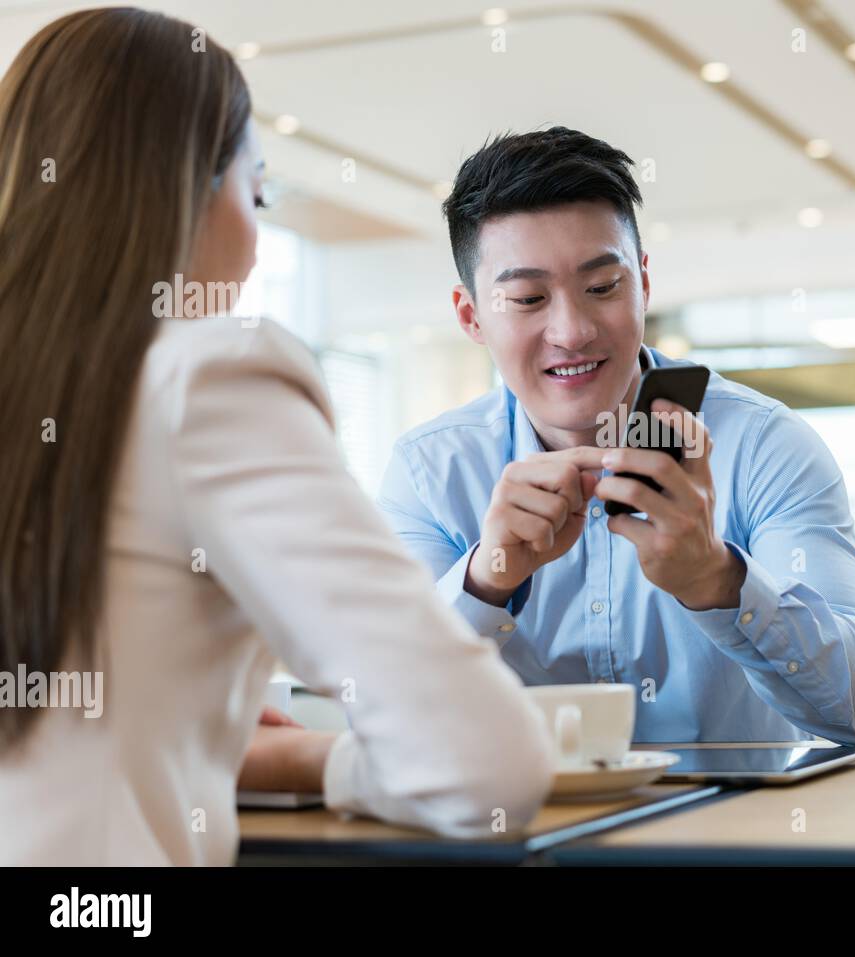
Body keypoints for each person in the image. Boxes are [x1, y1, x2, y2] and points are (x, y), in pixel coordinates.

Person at [0, 8, 553, 866]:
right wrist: (313, 757)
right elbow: (488, 764)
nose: (256, 249)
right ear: (183, 190)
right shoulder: (207, 378)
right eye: (254, 193)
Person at [378, 127, 855, 747]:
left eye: (602, 288)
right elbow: (385, 713)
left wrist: (720, 583)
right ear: (471, 316)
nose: (573, 331)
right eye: (527, 298)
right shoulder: (431, 473)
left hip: (736, 838)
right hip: (524, 837)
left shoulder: (763, 445)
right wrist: (485, 582)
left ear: (644, 284)